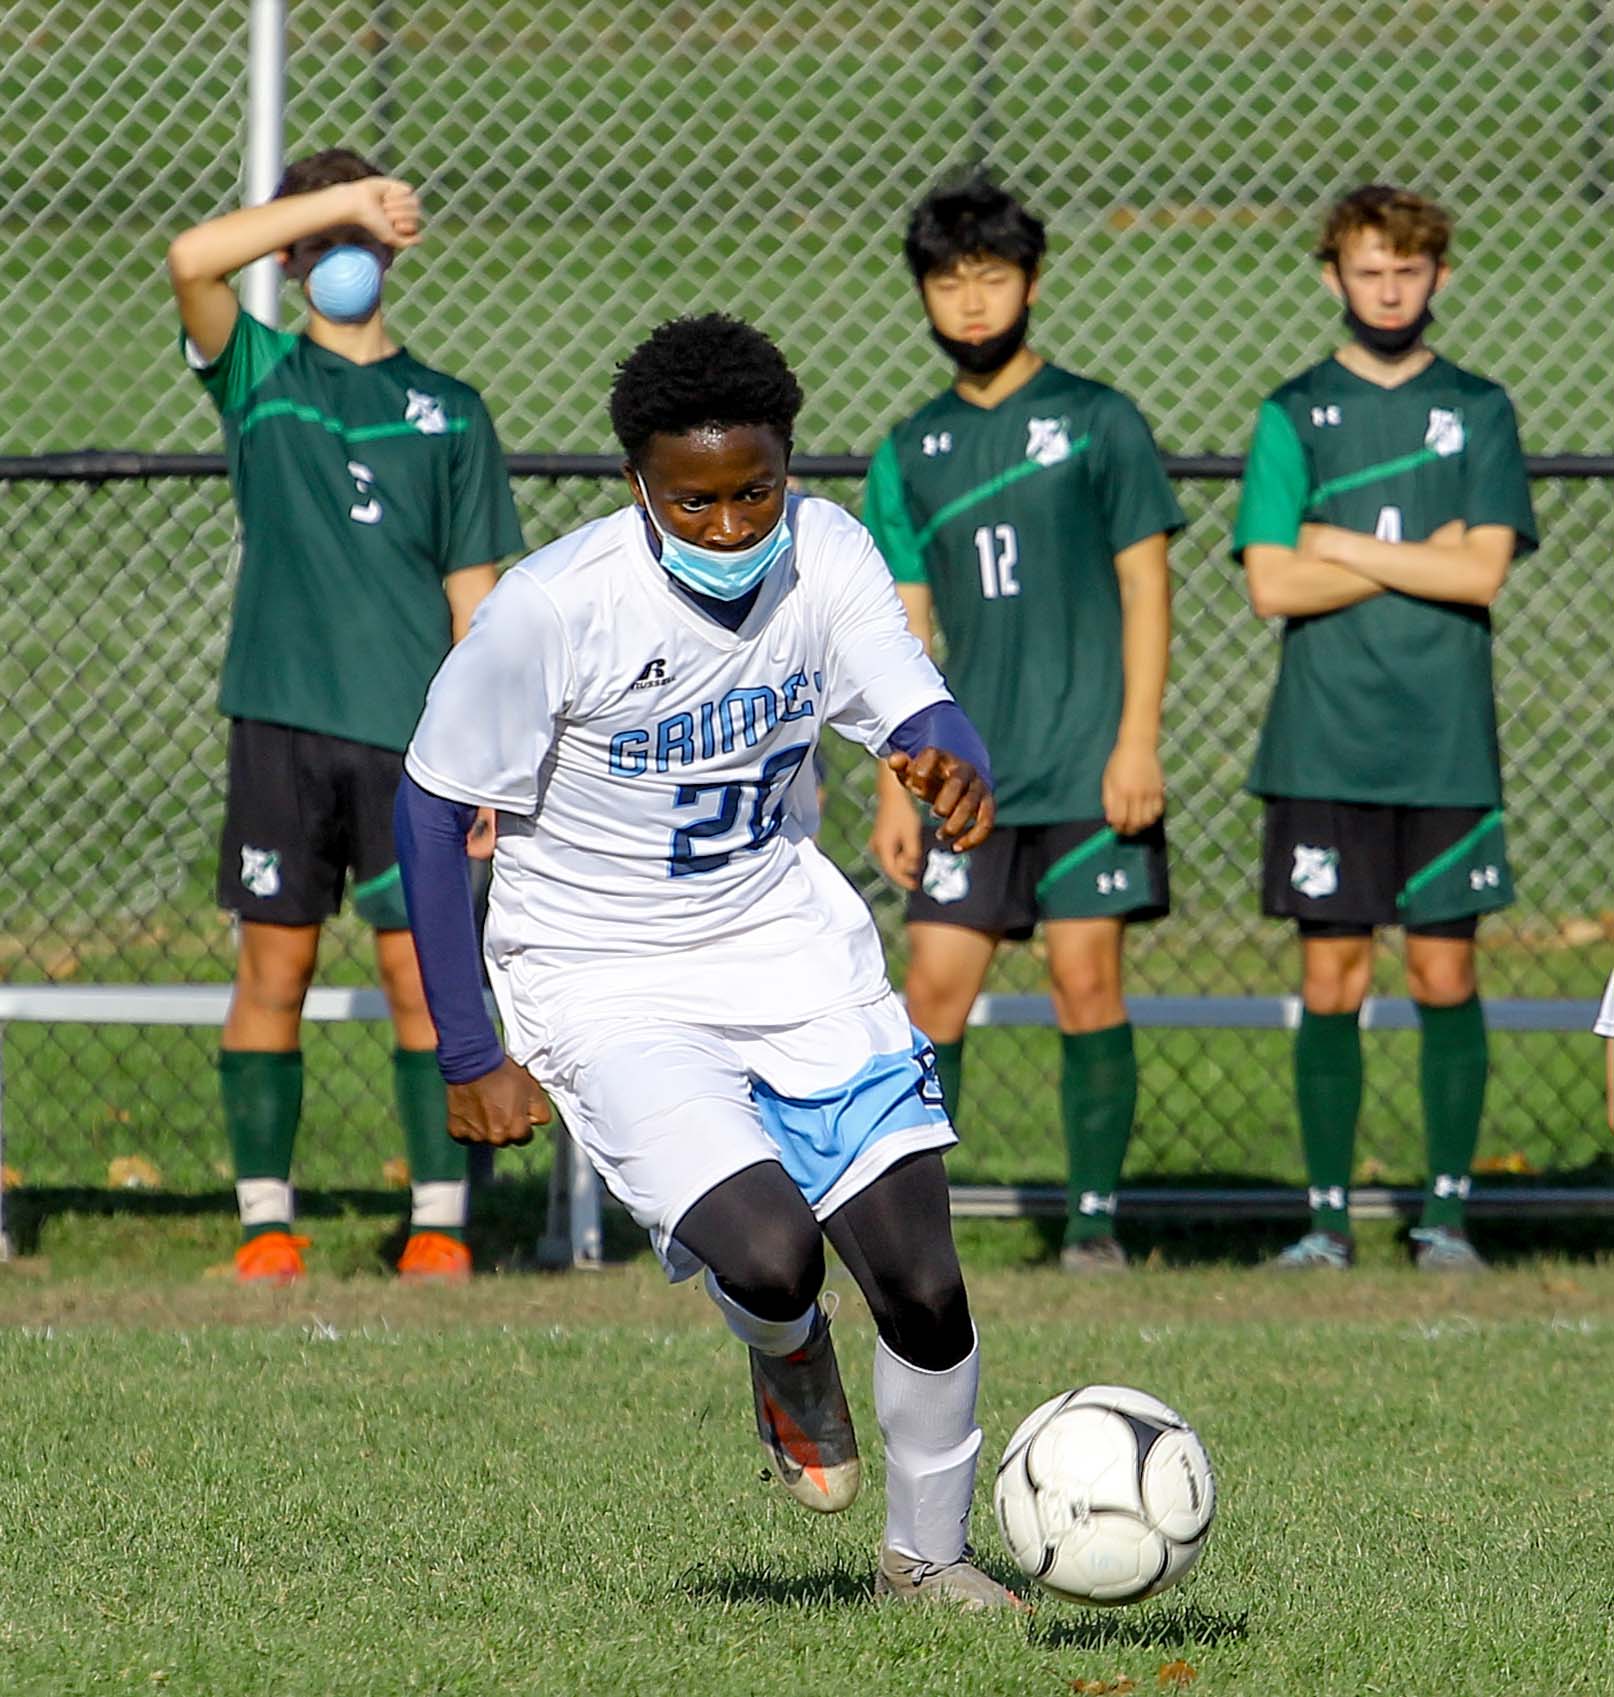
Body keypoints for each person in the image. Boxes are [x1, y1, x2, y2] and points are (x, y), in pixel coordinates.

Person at [395, 314, 1019, 1610]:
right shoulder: (554, 609)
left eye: (755, 490)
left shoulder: (828, 552)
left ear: (787, 466)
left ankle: (929, 1560)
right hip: (601, 976)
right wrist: (470, 1047)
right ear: (638, 484)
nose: (732, 523)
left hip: (784, 945)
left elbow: (913, 702)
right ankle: (785, 1352)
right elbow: (429, 804)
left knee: (920, 1275)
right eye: (696, 498)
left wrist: (946, 751)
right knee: (774, 1254)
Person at [167, 147, 526, 1285]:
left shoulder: (450, 411)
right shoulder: (261, 370)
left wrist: (485, 767)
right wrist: (325, 206)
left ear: (392, 253)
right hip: (278, 721)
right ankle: (266, 1222)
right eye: (319, 245)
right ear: (291, 254)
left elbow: (479, 603)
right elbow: (188, 259)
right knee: (275, 966)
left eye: (362, 240)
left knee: (422, 973)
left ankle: (439, 1221)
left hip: (413, 747)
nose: (341, 261)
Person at [862, 176, 1182, 1274]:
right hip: (966, 776)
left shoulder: (1099, 420)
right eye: (950, 283)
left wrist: (1136, 739)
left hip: (1089, 761)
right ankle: (918, 1230)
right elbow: (897, 629)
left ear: (1032, 283)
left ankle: (1094, 1223)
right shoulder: (910, 449)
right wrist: (887, 782)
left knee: (1086, 978)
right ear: (924, 297)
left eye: (993, 277)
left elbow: (1148, 586)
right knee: (932, 990)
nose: (973, 301)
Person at [1232, 185, 1537, 1271]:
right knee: (1333, 982)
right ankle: (1324, 1223)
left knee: (1447, 976)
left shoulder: (1481, 407)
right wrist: (1421, 557)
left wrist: (1339, 544)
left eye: (1409, 270)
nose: (1390, 288)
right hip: (1325, 740)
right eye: (1369, 270)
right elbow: (1271, 582)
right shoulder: (1293, 409)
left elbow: (1484, 568)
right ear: (1334, 278)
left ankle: (1446, 1217)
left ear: (1439, 277)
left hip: (1446, 741)